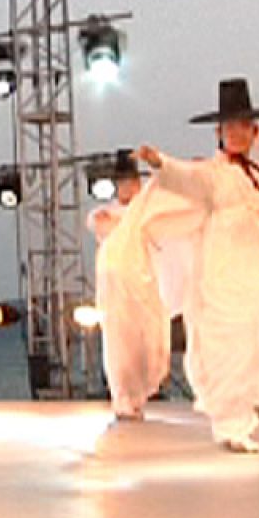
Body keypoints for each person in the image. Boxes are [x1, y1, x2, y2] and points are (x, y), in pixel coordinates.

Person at [134, 58, 259, 453]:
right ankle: (231, 425)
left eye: (243, 127)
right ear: (219, 133)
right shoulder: (214, 172)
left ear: (255, 132)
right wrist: (160, 163)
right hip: (225, 265)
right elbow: (188, 179)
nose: (236, 133)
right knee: (228, 341)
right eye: (229, 127)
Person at [86, 159, 183, 422]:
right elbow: (101, 225)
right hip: (116, 286)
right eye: (122, 182)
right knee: (119, 343)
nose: (127, 186)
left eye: (132, 181)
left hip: (143, 283)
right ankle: (122, 397)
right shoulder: (104, 212)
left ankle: (138, 393)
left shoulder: (148, 212)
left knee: (150, 341)